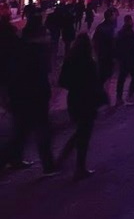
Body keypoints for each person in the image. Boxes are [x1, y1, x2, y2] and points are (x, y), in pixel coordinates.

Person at [0, 16, 57, 175]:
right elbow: (35, 77)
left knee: (21, 131)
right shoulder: (30, 52)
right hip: (32, 96)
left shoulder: (19, 49)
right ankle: (48, 166)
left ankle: (13, 160)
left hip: (20, 96)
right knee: (41, 130)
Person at [58, 34, 105, 178]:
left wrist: (75, 86)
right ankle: (79, 167)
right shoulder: (90, 63)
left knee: (80, 130)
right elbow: (95, 83)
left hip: (74, 99)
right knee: (84, 134)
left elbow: (62, 81)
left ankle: (65, 158)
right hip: (87, 101)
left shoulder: (69, 61)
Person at [114, 15, 134, 105]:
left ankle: (120, 97)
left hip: (124, 59)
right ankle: (129, 96)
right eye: (131, 21)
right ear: (129, 21)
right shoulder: (127, 33)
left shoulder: (123, 32)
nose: (133, 22)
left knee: (122, 78)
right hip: (129, 59)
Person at [92, 7, 117, 93]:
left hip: (103, 54)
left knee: (104, 76)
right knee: (105, 76)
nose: (115, 17)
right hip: (106, 55)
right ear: (110, 17)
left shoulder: (102, 27)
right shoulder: (107, 28)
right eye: (113, 15)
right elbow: (111, 42)